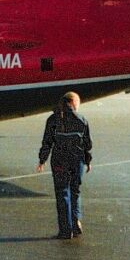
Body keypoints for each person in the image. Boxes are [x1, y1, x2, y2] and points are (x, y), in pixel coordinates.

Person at [36, 91, 93, 239]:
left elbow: (47, 142)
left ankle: (66, 230)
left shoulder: (53, 120)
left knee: (63, 194)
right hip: (77, 160)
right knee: (75, 191)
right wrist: (87, 161)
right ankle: (75, 222)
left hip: (60, 160)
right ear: (74, 103)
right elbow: (87, 144)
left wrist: (42, 160)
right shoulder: (82, 120)